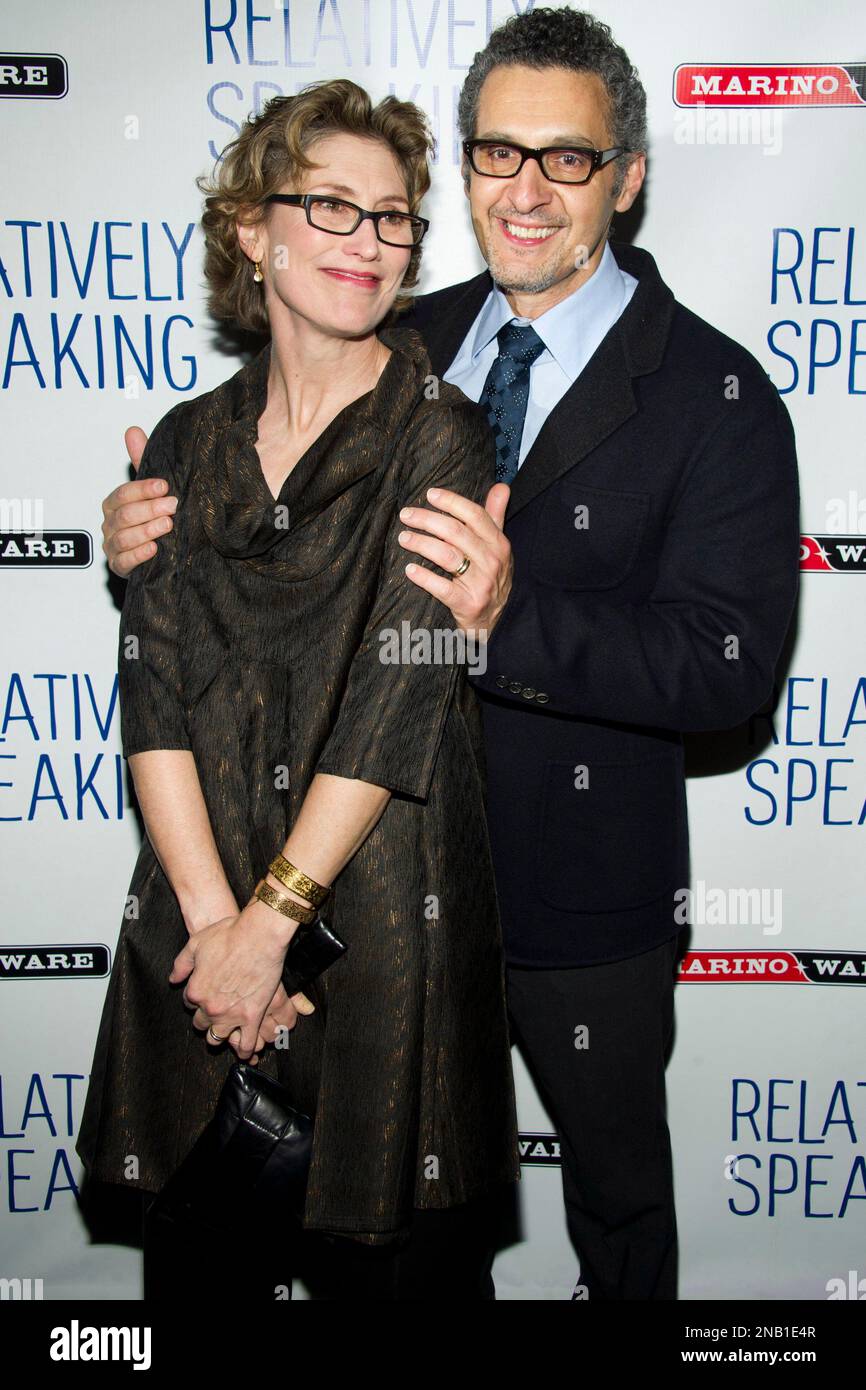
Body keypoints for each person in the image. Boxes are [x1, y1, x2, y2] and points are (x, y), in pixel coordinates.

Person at [98, 9, 801, 1299]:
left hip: (573, 900)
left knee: (617, 1218)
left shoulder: (715, 392)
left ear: (626, 177)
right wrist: (147, 529)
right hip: (370, 884)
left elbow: (727, 668)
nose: (524, 191)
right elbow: (257, 545)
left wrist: (510, 619)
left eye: (567, 159)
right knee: (387, 1236)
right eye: (495, 153)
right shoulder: (393, 330)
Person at [76, 77, 521, 1302]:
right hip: (201, 920)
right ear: (250, 233)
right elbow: (154, 696)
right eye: (330, 207)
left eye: (392, 219)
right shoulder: (178, 444)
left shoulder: (441, 430)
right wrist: (220, 936)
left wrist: (271, 929)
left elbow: (397, 691)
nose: (368, 242)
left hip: (378, 918)